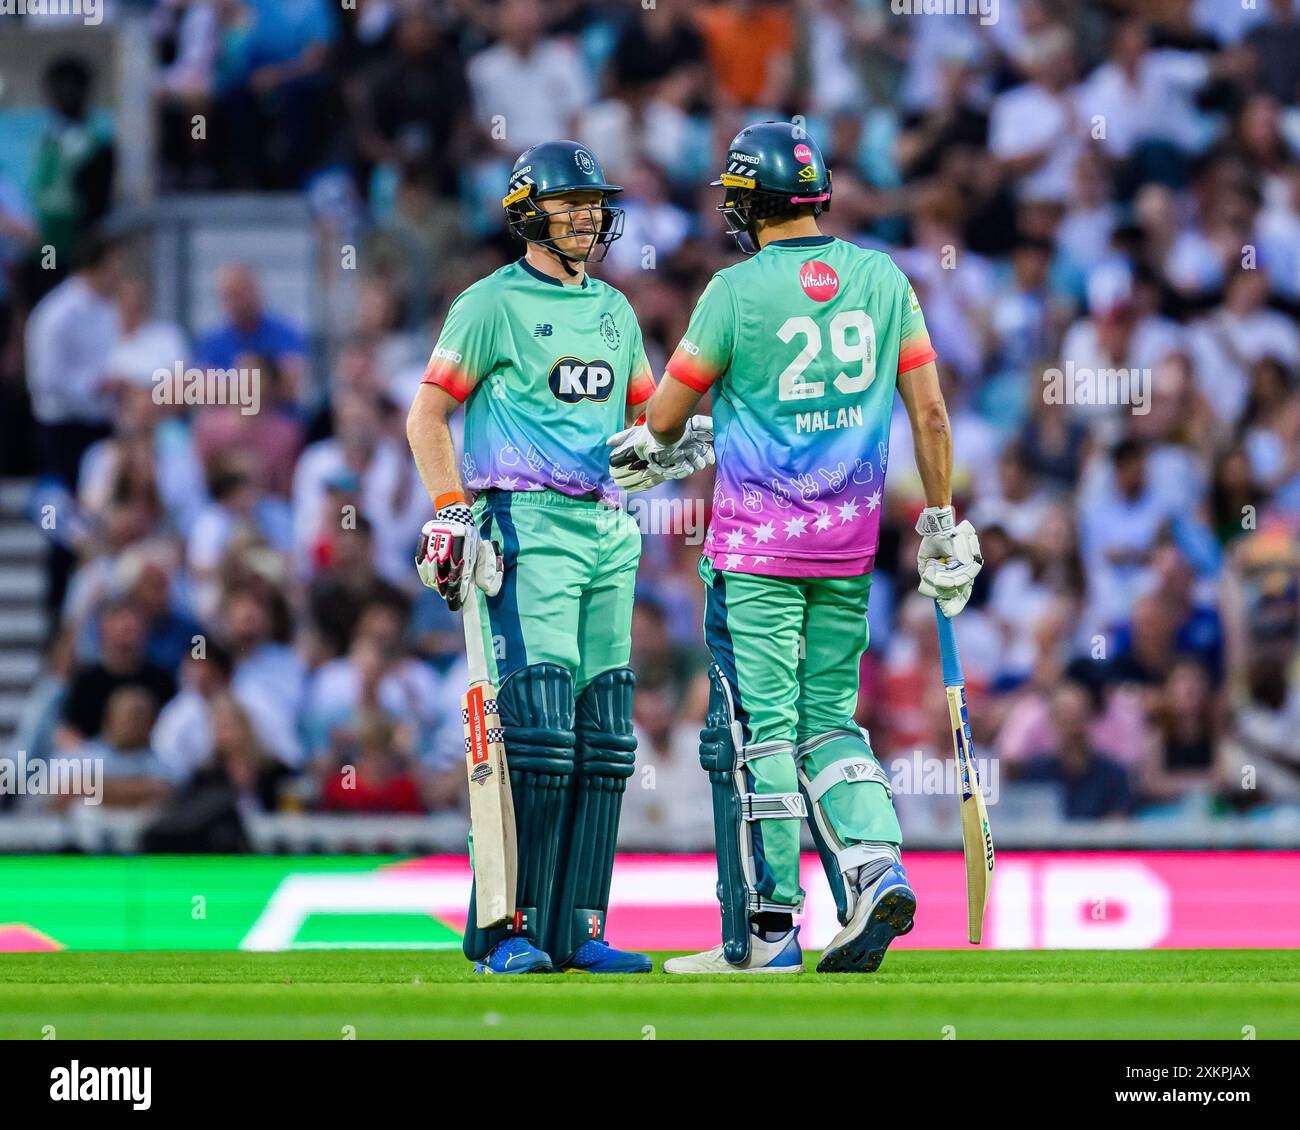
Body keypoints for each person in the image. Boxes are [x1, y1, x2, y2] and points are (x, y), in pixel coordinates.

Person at [613, 121, 981, 974]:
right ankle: (876, 864)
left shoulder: (733, 292)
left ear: (753, 203)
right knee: (831, 725)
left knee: (762, 735)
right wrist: (939, 521)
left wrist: (678, 439)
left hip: (754, 556)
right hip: (849, 551)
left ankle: (770, 932)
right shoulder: (883, 278)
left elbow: (662, 420)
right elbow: (929, 414)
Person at [405, 140, 713, 975]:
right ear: (527, 212)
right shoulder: (488, 304)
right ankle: (504, 931)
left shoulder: (615, 310)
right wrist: (451, 510)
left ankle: (578, 926)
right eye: (573, 202)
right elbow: (427, 417)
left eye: (594, 203)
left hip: (611, 525)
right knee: (536, 730)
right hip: (524, 522)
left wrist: (678, 446)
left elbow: (647, 420)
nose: (589, 215)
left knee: (604, 735)